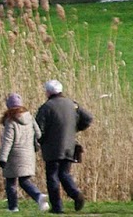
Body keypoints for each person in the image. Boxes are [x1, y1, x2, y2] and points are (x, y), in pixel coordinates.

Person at [35, 79, 92, 213]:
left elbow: (38, 129)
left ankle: (57, 207)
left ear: (48, 92)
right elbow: (88, 118)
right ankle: (76, 194)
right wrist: (74, 129)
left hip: (52, 148)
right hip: (69, 146)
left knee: (52, 176)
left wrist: (40, 141)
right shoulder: (72, 104)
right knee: (64, 173)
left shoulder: (46, 107)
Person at [0, 92, 47, 212]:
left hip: (14, 155)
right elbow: (39, 134)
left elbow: (8, 141)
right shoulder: (29, 117)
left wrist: (3, 158)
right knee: (24, 180)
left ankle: (13, 207)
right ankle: (39, 197)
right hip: (28, 154)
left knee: (11, 182)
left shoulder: (10, 121)